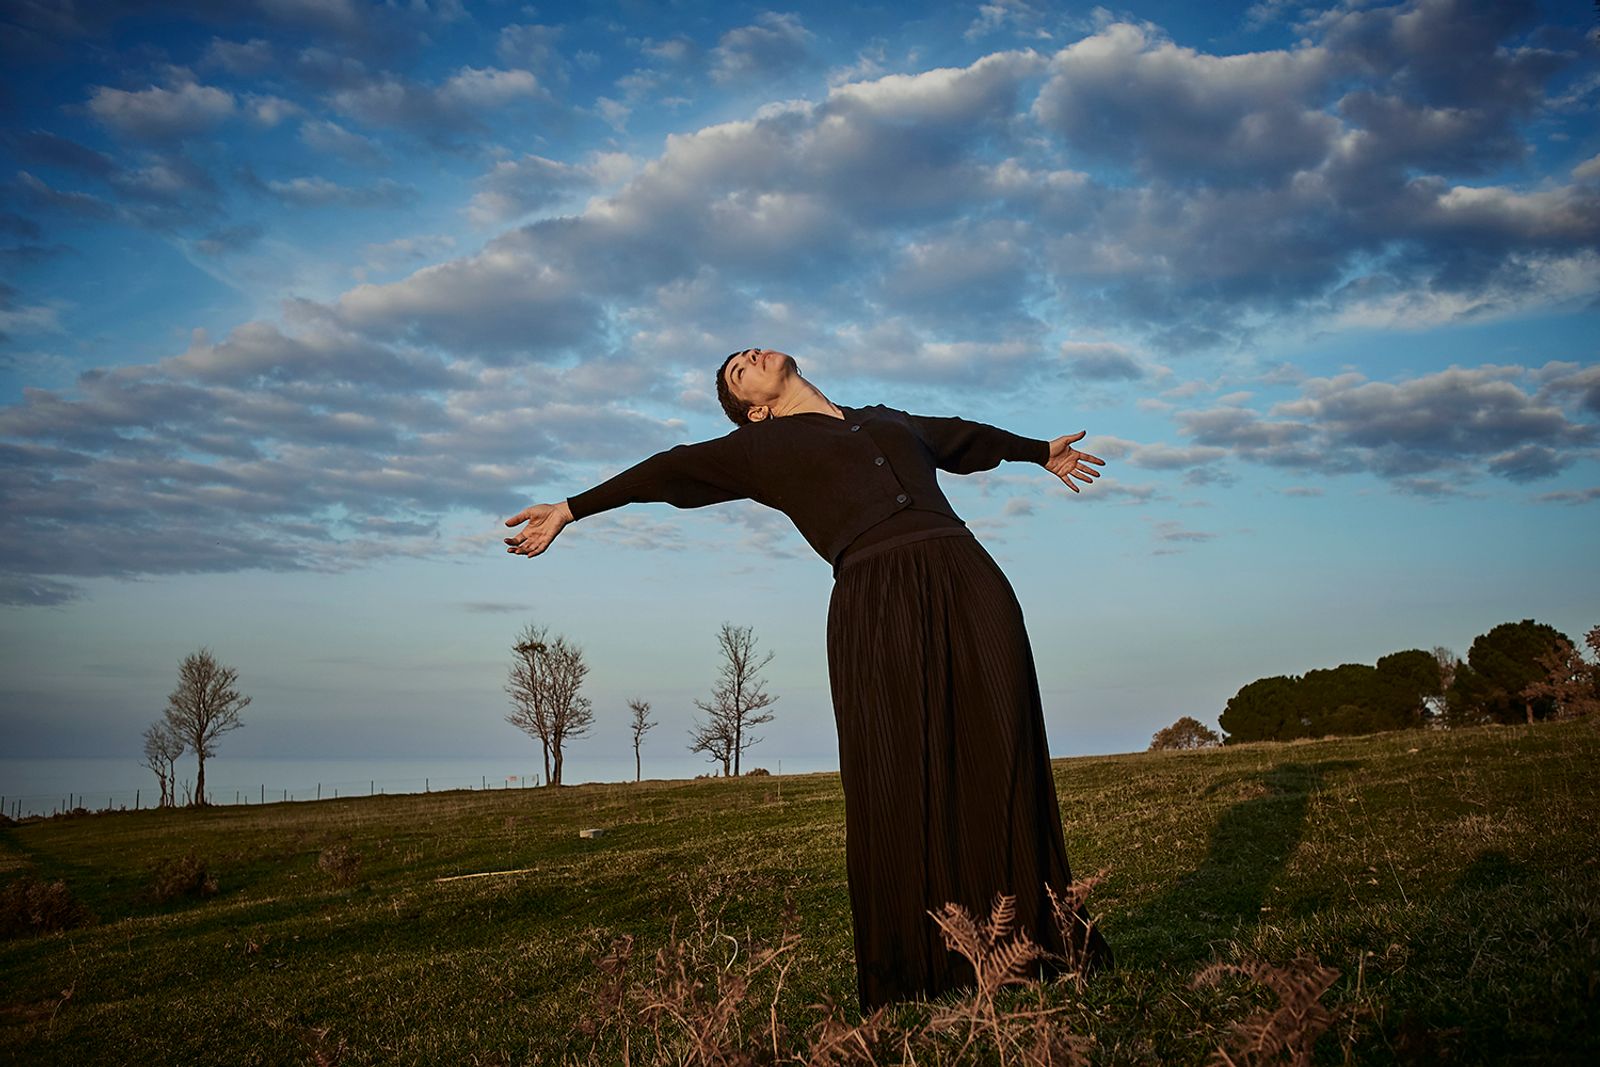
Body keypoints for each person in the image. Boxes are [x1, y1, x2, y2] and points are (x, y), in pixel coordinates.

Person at [504, 348, 1112, 1010]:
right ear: (754, 410)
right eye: (738, 372)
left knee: (1006, 740)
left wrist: (1037, 450)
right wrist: (570, 507)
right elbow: (669, 470)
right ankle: (918, 969)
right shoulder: (763, 447)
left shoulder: (883, 417)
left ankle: (1041, 943)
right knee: (894, 768)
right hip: (875, 595)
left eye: (746, 355)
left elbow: (962, 435)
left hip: (965, 573)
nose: (750, 357)